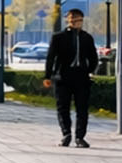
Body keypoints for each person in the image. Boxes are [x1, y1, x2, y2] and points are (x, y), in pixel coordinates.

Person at [43, 8, 100, 148]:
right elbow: (51, 57)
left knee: (82, 109)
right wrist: (48, 76)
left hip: (81, 77)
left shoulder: (87, 37)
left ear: (82, 21)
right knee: (63, 108)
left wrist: (90, 71)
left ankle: (80, 137)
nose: (75, 22)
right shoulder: (59, 37)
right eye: (72, 19)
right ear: (67, 20)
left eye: (78, 19)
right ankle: (66, 134)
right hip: (63, 77)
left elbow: (93, 58)